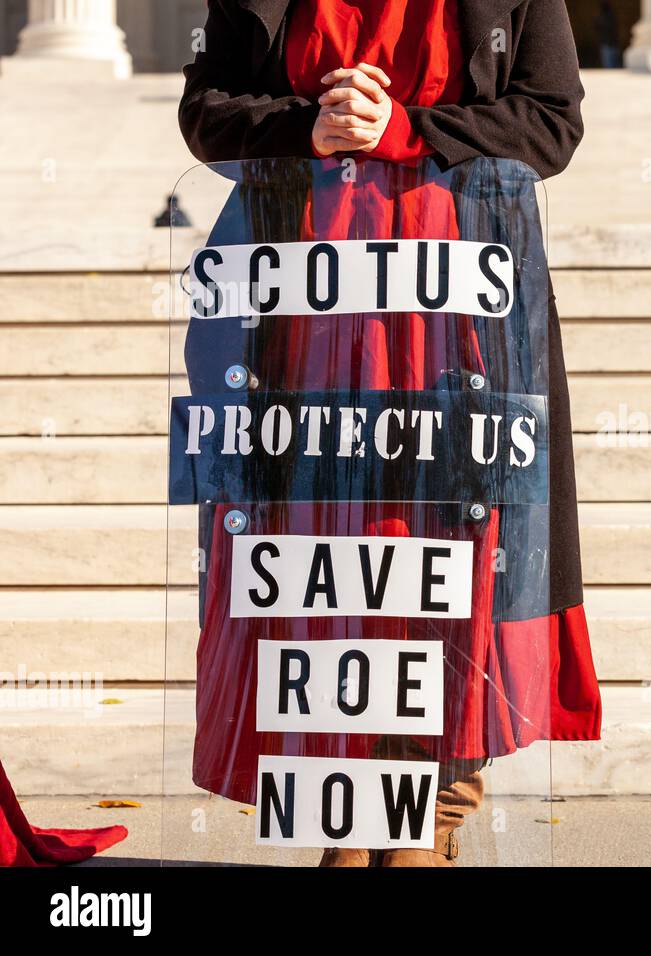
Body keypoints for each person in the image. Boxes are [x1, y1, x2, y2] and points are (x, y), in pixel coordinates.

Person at [177, 0, 601, 868]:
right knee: (328, 552)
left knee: (454, 547)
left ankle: (435, 811)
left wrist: (407, 128)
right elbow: (206, 114)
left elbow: (552, 124)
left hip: (462, 304)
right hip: (301, 313)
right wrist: (311, 127)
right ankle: (352, 810)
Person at [595, 1, 620, 69]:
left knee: (611, 66)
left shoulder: (607, 17)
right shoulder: (605, 17)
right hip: (608, 44)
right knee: (610, 65)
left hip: (609, 44)